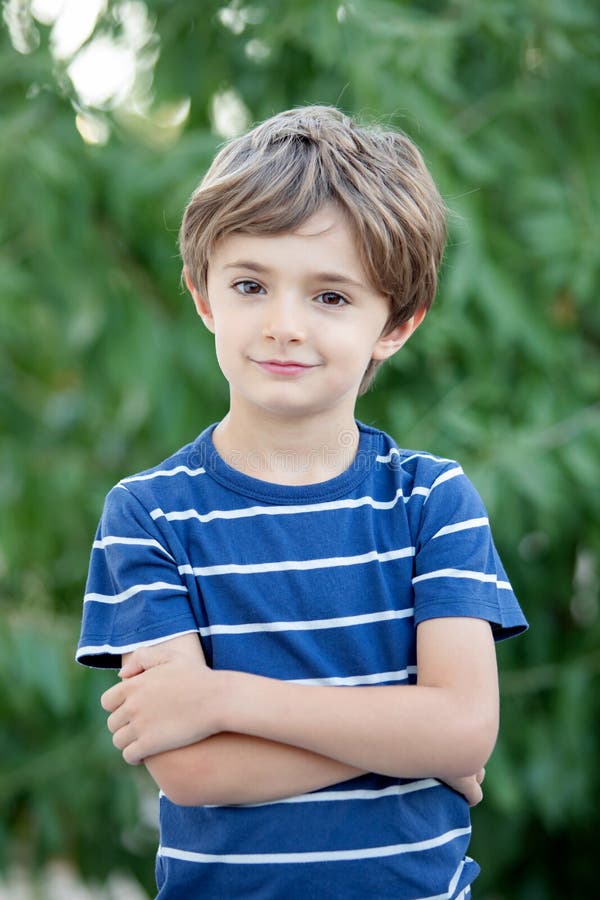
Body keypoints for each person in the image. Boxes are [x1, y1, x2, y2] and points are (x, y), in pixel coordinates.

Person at [77, 105, 527, 899]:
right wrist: (413, 736)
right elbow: (194, 769)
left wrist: (223, 696)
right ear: (205, 296)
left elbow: (464, 727)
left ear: (397, 322)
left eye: (331, 297)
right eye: (251, 284)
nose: (284, 326)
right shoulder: (148, 515)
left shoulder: (433, 503)